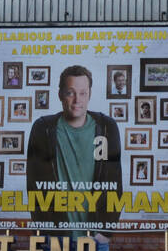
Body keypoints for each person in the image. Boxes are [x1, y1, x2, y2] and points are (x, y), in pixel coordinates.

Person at [26, 66, 121, 234]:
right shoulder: (43, 128)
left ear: (89, 94)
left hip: (96, 238)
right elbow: (33, 186)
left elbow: (115, 184)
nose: (77, 100)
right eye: (71, 92)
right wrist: (45, 231)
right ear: (60, 95)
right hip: (54, 237)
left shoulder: (107, 127)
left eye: (83, 93)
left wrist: (106, 233)